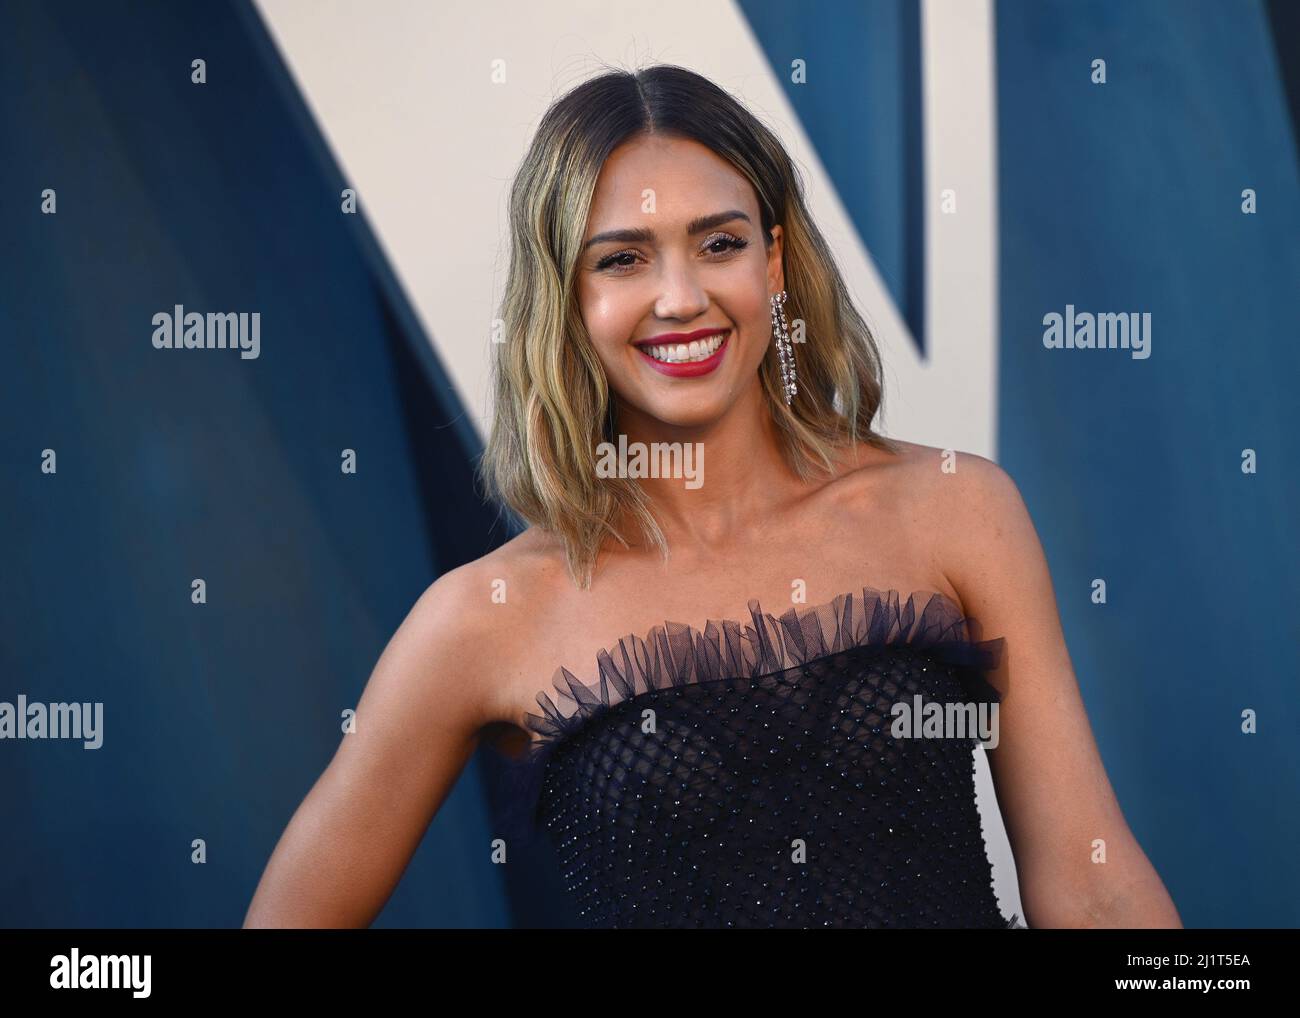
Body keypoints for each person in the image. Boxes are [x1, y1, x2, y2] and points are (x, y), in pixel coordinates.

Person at [244, 63, 1181, 929]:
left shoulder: (955, 509)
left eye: (718, 243)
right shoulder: (485, 618)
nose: (681, 296)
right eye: (623, 259)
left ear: (772, 264)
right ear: (565, 299)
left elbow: (1092, 887)